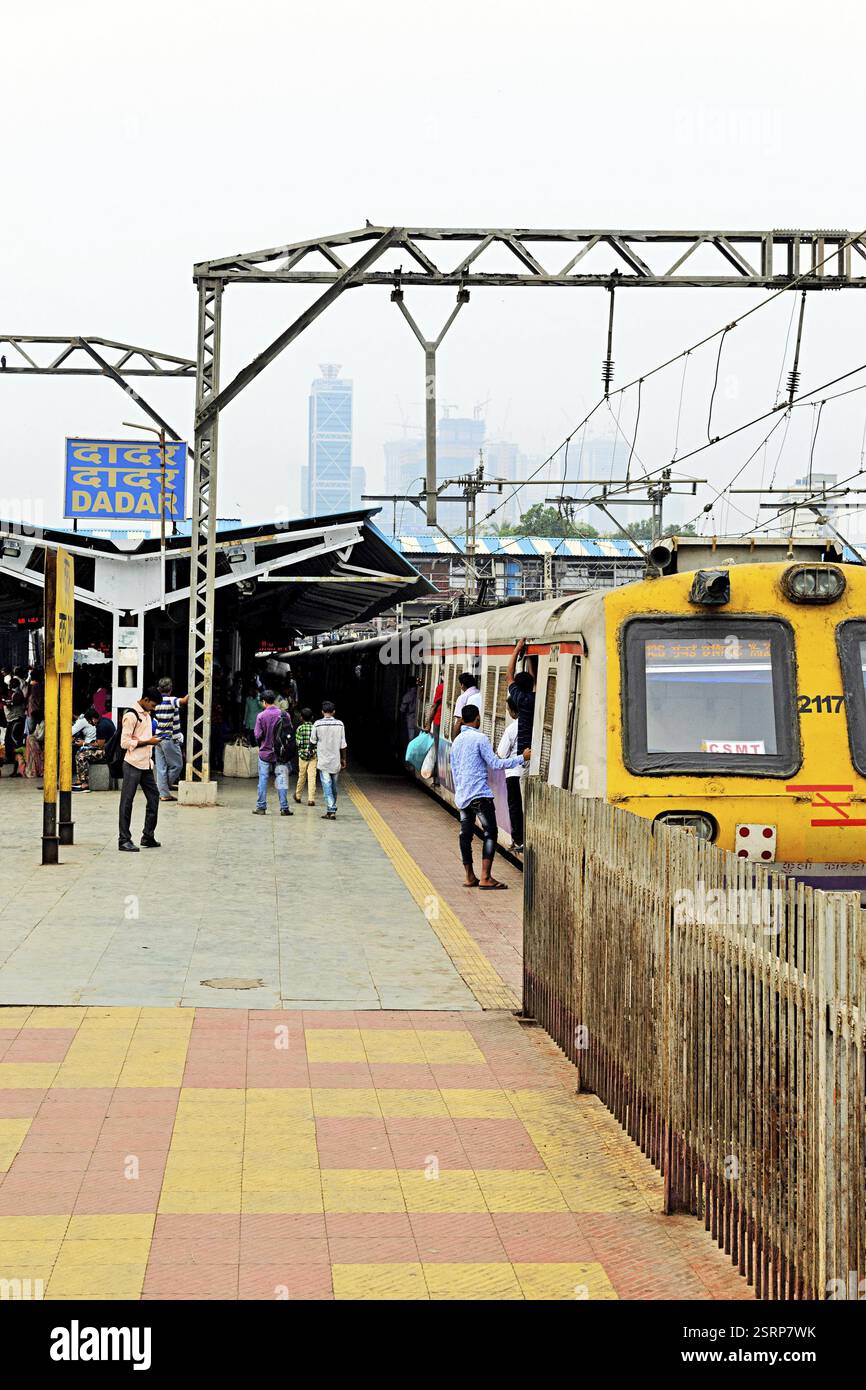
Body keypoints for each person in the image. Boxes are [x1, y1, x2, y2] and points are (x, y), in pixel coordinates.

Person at [449, 703, 529, 890]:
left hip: (463, 797)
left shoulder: (457, 742)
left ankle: (470, 876)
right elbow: (495, 763)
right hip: (479, 795)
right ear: (477, 718)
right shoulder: (480, 738)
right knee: (490, 832)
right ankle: (486, 877)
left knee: (465, 835)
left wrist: (461, 790)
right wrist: (522, 758)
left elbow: (455, 770)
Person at [118, 686, 162, 852]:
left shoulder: (147, 715)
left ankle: (147, 835)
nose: (154, 708)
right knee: (127, 801)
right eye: (153, 705)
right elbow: (124, 743)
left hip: (146, 764)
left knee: (154, 798)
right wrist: (147, 742)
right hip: (132, 764)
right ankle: (123, 840)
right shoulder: (131, 716)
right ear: (145, 700)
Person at [252, 690, 292, 816]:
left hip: (265, 753)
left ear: (264, 702)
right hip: (281, 754)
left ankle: (261, 807)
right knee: (281, 780)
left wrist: (262, 744)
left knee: (263, 780)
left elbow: (257, 735)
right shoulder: (285, 715)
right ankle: (284, 808)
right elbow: (288, 734)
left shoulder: (261, 716)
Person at [153, 676, 189, 802]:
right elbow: (184, 701)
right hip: (169, 738)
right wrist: (194, 690)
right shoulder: (171, 700)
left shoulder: (156, 702)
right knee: (177, 765)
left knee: (161, 767)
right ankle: (163, 788)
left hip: (158, 738)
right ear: (170, 689)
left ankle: (163, 793)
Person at [497, 696, 525, 853]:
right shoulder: (530, 726)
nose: (508, 712)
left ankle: (518, 840)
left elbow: (501, 753)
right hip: (526, 772)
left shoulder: (512, 729)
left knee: (515, 807)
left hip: (513, 773)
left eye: (508, 710)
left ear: (514, 711)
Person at [310, 700, 346, 820]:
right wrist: (344, 759)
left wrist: (310, 752)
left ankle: (331, 809)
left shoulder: (317, 724)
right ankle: (332, 808)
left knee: (326, 785)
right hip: (336, 760)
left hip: (323, 760)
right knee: (334, 786)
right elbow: (343, 745)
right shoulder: (340, 724)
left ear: (322, 712)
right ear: (334, 712)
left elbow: (313, 741)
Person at [73, 707, 115, 790]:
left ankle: (84, 784)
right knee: (81, 751)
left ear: (93, 719)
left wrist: (84, 743)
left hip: (107, 752)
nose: (90, 724)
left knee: (81, 755)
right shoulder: (105, 720)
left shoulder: (101, 726)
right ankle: (80, 780)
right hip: (110, 749)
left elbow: (100, 745)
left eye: (89, 722)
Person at [293, 707, 317, 806]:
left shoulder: (300, 728)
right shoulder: (315, 728)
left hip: (302, 756)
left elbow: (298, 743)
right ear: (312, 717)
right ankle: (311, 799)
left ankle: (298, 796)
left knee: (301, 776)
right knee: (312, 777)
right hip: (313, 755)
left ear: (301, 718)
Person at [451, 671, 482, 740]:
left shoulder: (462, 697)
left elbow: (459, 720)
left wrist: (454, 740)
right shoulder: (480, 694)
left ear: (462, 685)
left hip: (465, 735)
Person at [427, 671, 444, 787]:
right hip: (445, 722)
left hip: (438, 721)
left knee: (437, 750)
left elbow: (434, 706)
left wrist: (428, 723)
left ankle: (437, 779)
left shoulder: (441, 688)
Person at [399, 675, 421, 751]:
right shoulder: (420, 693)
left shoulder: (407, 696)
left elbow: (402, 710)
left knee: (410, 740)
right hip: (419, 721)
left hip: (410, 721)